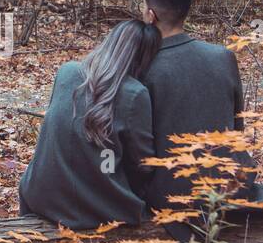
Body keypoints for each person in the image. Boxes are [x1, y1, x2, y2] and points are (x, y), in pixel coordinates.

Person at [138, 0, 263, 239]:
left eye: (143, 8)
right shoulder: (223, 57)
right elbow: (237, 128)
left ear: (151, 15)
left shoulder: (144, 66)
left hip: (168, 194)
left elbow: (137, 144)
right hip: (228, 187)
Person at [18, 20, 161, 231]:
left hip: (38, 194)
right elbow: (143, 164)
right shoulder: (135, 93)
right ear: (146, 57)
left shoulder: (67, 71)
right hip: (95, 208)